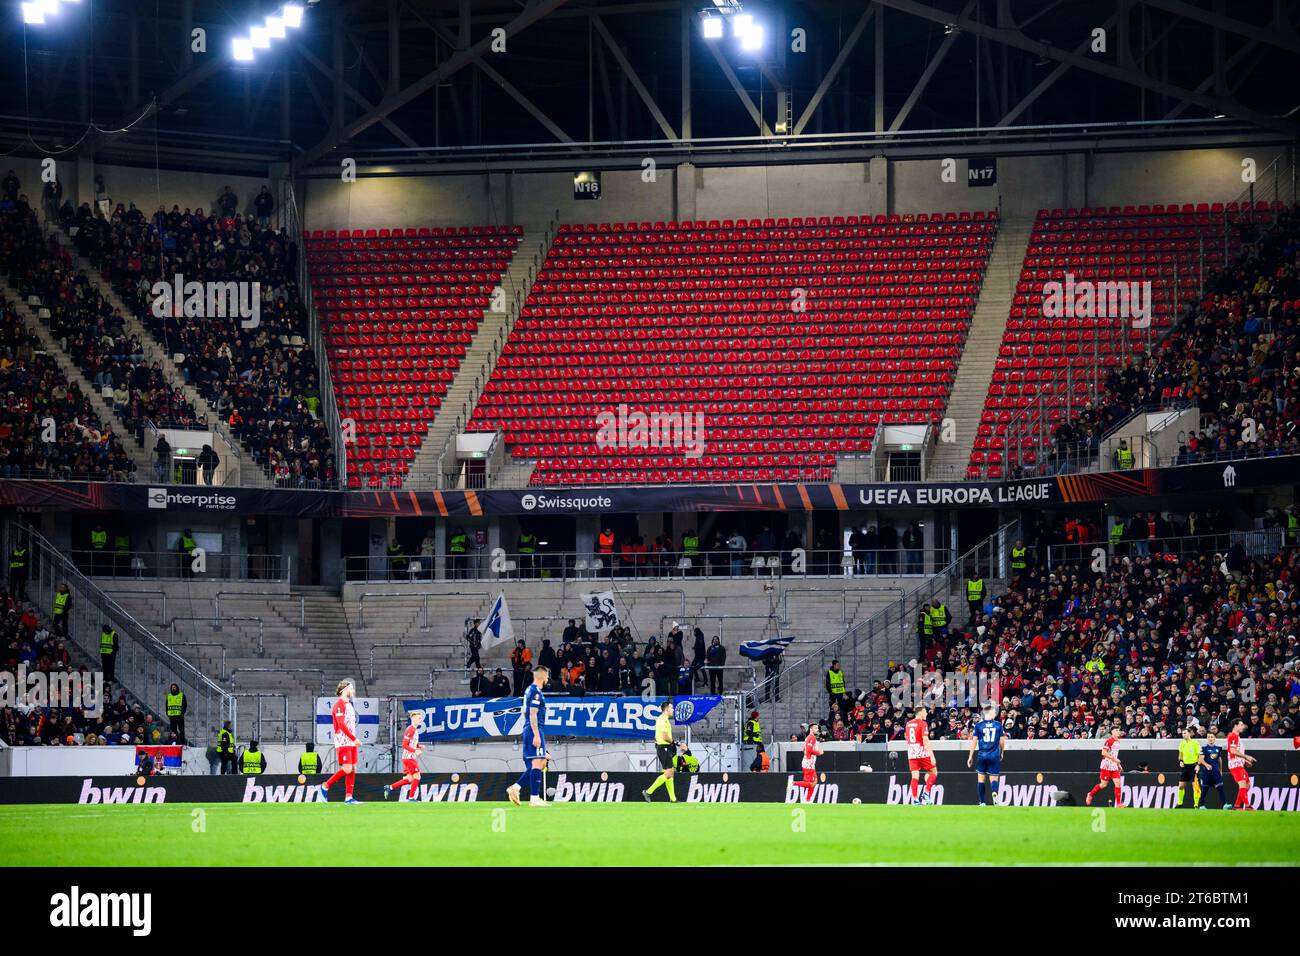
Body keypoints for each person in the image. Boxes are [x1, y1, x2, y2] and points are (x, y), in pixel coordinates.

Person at [506, 665, 550, 807]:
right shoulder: (536, 692)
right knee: (538, 763)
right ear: (542, 676)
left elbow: (524, 713)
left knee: (540, 762)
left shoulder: (528, 690)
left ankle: (528, 795)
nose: (548, 678)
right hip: (534, 730)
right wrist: (536, 734)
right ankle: (527, 794)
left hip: (529, 729)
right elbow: (532, 713)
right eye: (547, 675)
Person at [318, 678, 361, 804]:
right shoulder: (339, 705)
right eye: (351, 688)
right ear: (344, 690)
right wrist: (354, 738)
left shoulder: (349, 705)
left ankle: (349, 797)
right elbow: (341, 725)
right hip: (343, 742)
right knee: (347, 769)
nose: (353, 690)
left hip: (351, 742)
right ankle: (325, 786)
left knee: (353, 768)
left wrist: (353, 739)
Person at [642, 699, 683, 802]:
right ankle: (648, 792)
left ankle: (673, 799)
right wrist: (677, 743)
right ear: (666, 709)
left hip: (664, 748)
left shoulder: (662, 719)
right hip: (663, 747)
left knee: (670, 773)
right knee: (669, 773)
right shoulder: (663, 720)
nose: (673, 710)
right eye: (672, 708)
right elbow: (665, 736)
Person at [967, 704, 1005, 806]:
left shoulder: (978, 726)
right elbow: (1002, 742)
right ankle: (994, 793)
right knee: (993, 778)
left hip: (982, 755)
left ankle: (982, 802)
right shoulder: (998, 725)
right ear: (992, 713)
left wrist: (970, 756)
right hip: (994, 755)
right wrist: (1001, 752)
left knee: (981, 779)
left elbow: (974, 742)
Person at [385, 710, 425, 802]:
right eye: (419, 718)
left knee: (409, 779)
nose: (420, 720)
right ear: (413, 719)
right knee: (417, 777)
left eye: (421, 718)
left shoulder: (414, 730)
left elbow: (411, 743)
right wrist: (415, 750)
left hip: (408, 758)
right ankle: (411, 798)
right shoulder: (410, 729)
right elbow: (404, 745)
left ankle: (390, 787)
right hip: (409, 758)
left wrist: (419, 746)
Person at [905, 707, 938, 805]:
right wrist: (932, 755)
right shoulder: (923, 723)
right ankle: (926, 793)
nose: (927, 713)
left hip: (911, 751)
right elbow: (925, 740)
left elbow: (907, 737)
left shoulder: (908, 723)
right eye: (925, 711)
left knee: (915, 776)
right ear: (921, 713)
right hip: (921, 751)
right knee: (933, 772)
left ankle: (915, 799)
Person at [1085, 724, 1125, 807]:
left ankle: (1118, 804)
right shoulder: (1109, 741)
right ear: (1112, 732)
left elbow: (1115, 755)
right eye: (1116, 730)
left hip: (1114, 766)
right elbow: (1103, 752)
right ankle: (1090, 794)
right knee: (1103, 785)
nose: (1118, 732)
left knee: (1118, 783)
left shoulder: (1118, 741)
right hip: (1106, 765)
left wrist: (1118, 764)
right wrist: (1115, 760)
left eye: (1119, 730)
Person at [1225, 719, 1255, 811]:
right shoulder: (1233, 736)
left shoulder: (1236, 737)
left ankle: (1237, 805)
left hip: (1238, 763)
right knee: (1243, 784)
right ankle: (1247, 805)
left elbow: (1234, 752)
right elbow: (1232, 751)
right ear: (1235, 726)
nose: (1243, 727)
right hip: (1235, 764)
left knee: (1247, 785)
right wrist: (1246, 757)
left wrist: (1244, 761)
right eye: (1241, 725)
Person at [1196, 728, 1229, 810]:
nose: (1210, 738)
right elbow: (1200, 760)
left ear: (1215, 738)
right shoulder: (1204, 748)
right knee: (1205, 789)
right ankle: (1202, 805)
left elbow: (1220, 760)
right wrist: (1206, 765)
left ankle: (1225, 805)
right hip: (1206, 773)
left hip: (1216, 772)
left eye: (1212, 737)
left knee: (1220, 788)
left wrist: (1220, 770)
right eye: (1208, 737)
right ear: (1207, 739)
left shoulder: (1218, 748)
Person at [792, 722, 823, 802]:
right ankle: (793, 783)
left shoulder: (808, 738)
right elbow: (809, 750)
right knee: (811, 783)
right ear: (811, 729)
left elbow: (804, 749)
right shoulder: (812, 737)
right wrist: (818, 752)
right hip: (809, 763)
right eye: (815, 728)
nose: (817, 729)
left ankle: (808, 801)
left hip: (808, 762)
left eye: (817, 728)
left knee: (814, 782)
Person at [1175, 726, 1202, 809]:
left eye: (1185, 733)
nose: (1183, 735)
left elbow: (1200, 755)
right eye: (1183, 733)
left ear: (1190, 733)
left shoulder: (1195, 743)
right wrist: (1180, 761)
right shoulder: (1182, 743)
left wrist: (1198, 765)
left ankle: (1196, 804)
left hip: (1193, 766)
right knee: (1181, 786)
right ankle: (1180, 803)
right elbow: (1180, 755)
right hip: (1185, 767)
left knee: (1195, 786)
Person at [99, 622, 118, 690]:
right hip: (104, 653)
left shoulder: (114, 634)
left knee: (111, 667)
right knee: (105, 667)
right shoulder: (103, 633)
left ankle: (111, 679)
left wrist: (113, 652)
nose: (105, 632)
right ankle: (105, 678)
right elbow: (102, 643)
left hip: (111, 653)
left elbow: (116, 645)